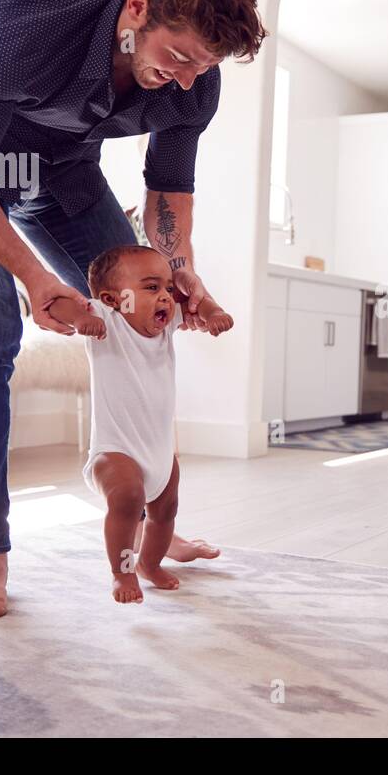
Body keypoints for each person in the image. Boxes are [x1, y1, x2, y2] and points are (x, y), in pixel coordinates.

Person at [0, 0, 267, 618]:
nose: (191, 80)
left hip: (65, 174)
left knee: (148, 318)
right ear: (136, 9)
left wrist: (178, 270)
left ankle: (150, 528)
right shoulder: (12, 25)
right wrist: (34, 277)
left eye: (205, 65)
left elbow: (167, 194)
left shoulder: (195, 82)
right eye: (179, 57)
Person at [48, 244, 230, 603]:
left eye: (165, 288)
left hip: (161, 454)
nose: (164, 296)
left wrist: (213, 311)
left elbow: (196, 300)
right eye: (151, 288)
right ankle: (122, 571)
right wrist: (79, 318)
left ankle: (150, 563)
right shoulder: (107, 319)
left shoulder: (166, 325)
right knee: (128, 499)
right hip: (115, 452)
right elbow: (57, 303)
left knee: (166, 511)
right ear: (113, 299)